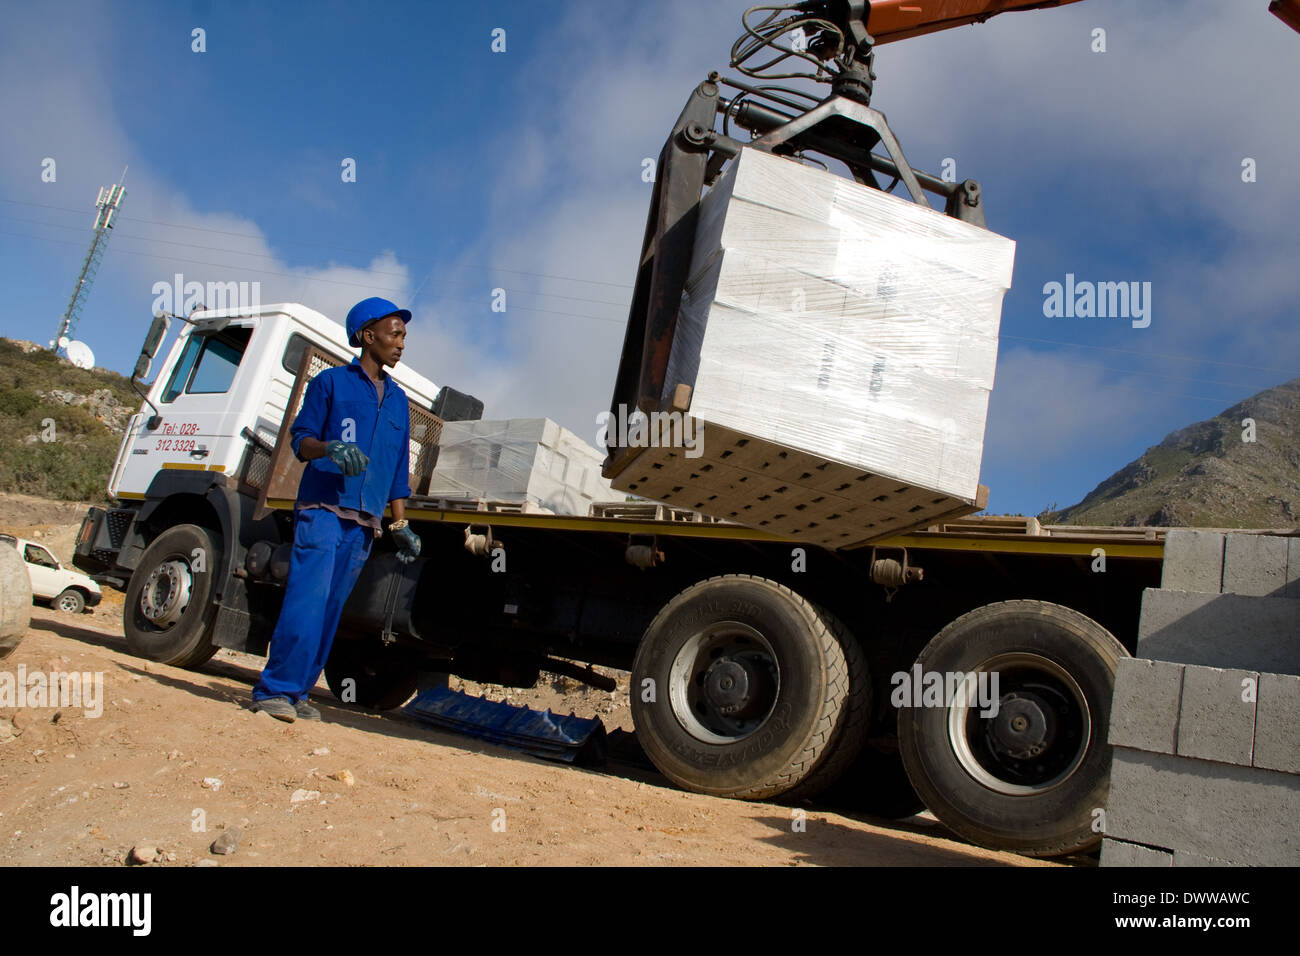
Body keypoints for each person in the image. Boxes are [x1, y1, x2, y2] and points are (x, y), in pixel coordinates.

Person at [250, 296, 423, 722]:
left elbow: (398, 468)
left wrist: (399, 521)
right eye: (395, 334)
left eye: (404, 336)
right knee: (307, 600)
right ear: (368, 336)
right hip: (324, 509)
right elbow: (301, 439)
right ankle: (275, 691)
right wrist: (331, 448)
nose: (401, 343)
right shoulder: (330, 385)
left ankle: (299, 694)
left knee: (330, 608)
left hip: (363, 523)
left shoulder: (399, 401)